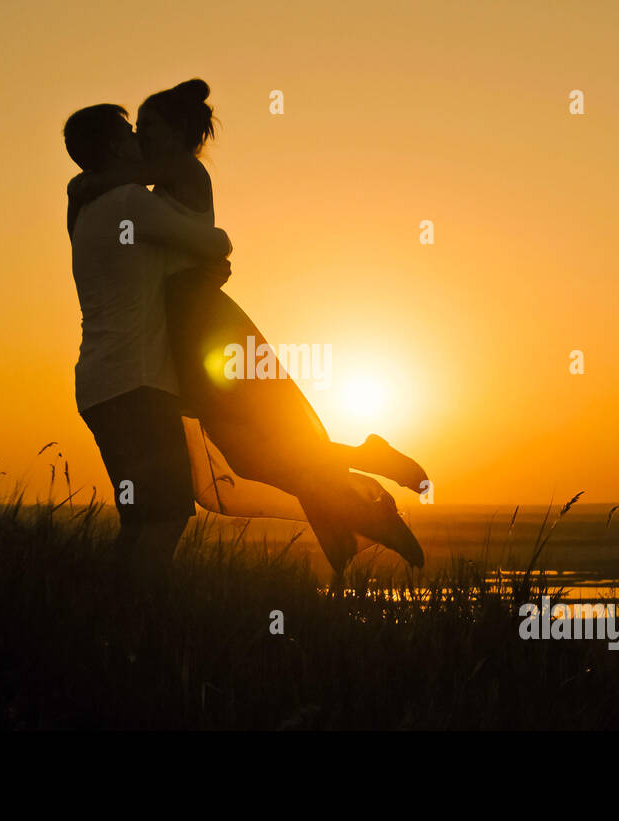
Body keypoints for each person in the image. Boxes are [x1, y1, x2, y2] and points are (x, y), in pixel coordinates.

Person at [68, 81, 428, 575]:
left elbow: (207, 236)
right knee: (249, 454)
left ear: (178, 135)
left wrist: (83, 182)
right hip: (183, 326)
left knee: (257, 443)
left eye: (148, 126)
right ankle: (355, 483)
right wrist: (84, 184)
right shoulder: (138, 192)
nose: (141, 136)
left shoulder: (175, 170)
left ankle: (356, 487)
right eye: (135, 128)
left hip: (200, 322)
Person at [63, 102, 233, 575]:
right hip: (137, 387)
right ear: (119, 145)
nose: (140, 140)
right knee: (166, 515)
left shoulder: (86, 210)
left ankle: (113, 617)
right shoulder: (129, 204)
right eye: (131, 133)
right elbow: (217, 244)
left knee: (138, 517)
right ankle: (138, 619)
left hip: (99, 387)